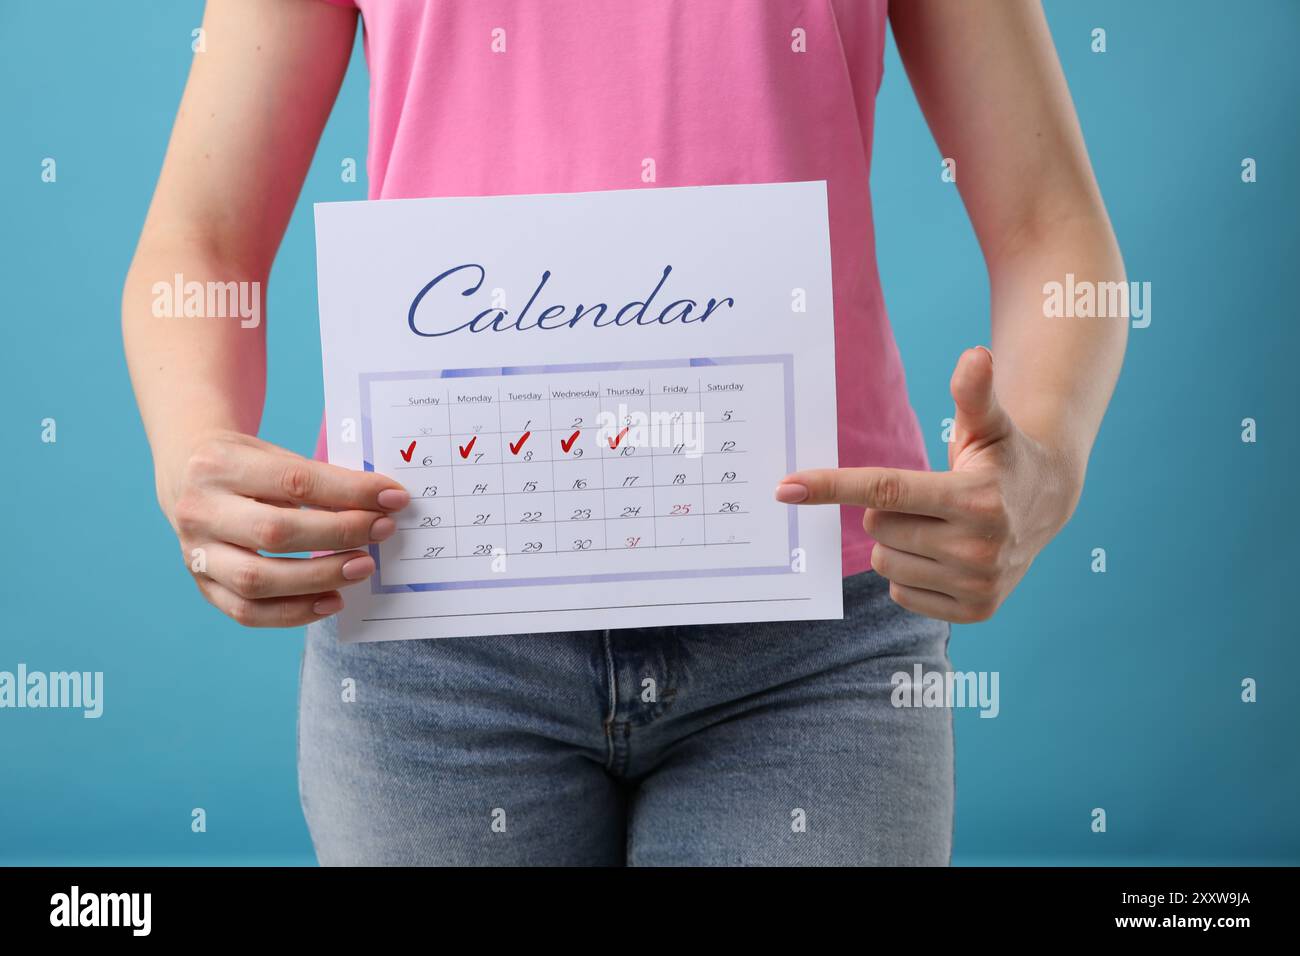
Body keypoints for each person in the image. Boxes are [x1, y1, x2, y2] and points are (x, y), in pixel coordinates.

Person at [123, 0, 1125, 865]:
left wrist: (1045, 461)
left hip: (820, 627)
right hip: (431, 628)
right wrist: (191, 448)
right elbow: (202, 237)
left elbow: (1051, 229)